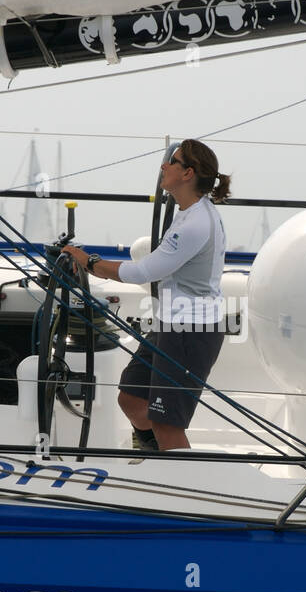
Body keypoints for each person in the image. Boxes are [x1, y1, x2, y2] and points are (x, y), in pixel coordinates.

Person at [64, 139, 229, 451]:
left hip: (189, 332)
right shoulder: (190, 210)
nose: (163, 166)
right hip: (171, 324)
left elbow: (144, 272)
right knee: (131, 397)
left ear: (188, 173)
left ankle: (181, 490)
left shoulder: (194, 223)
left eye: (172, 162)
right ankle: (157, 458)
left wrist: (90, 263)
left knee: (169, 424)